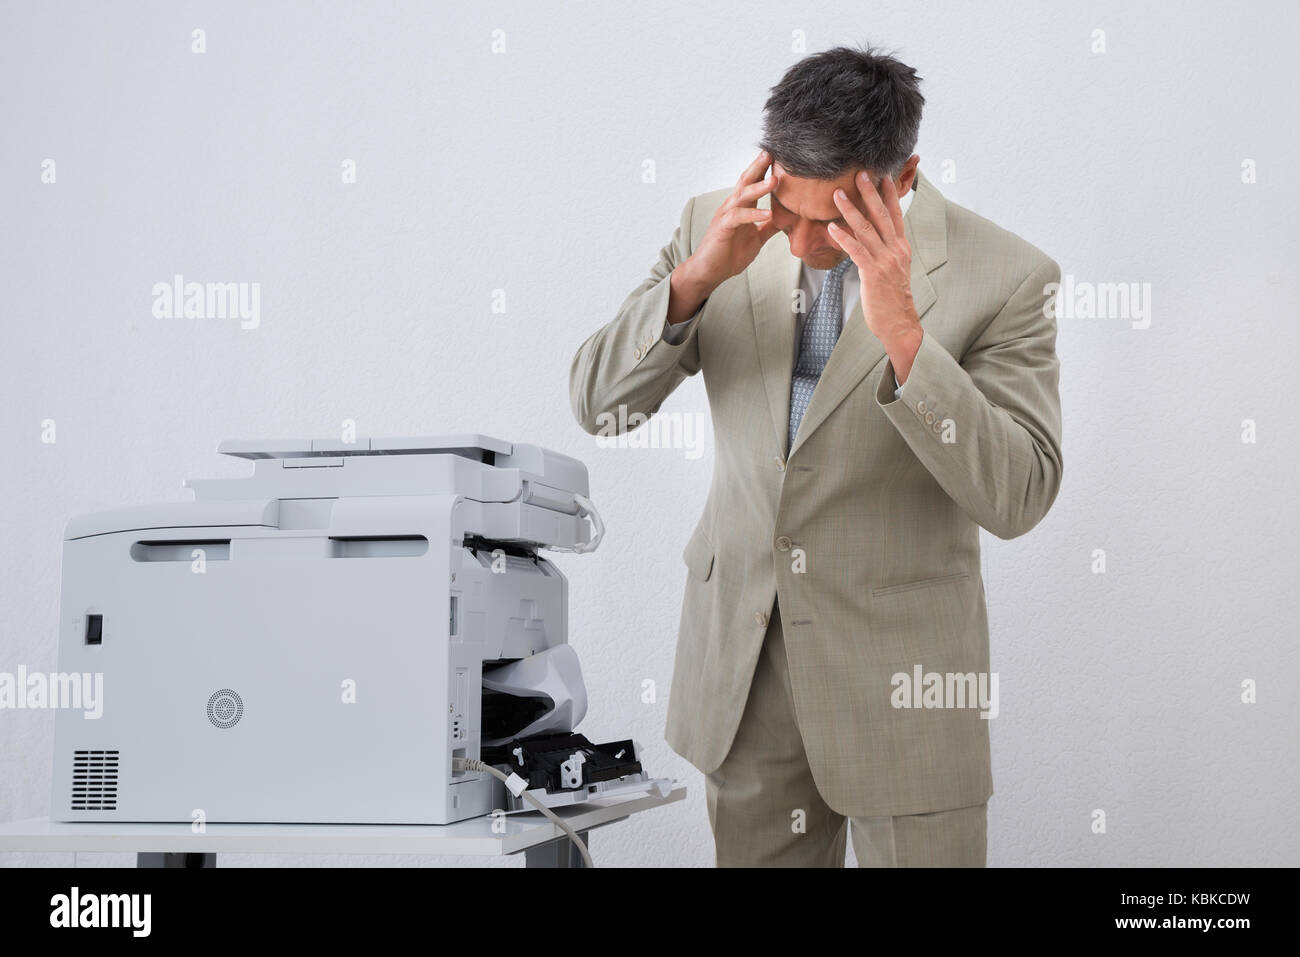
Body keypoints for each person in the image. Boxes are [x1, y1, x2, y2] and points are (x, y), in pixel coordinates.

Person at [568, 44, 1063, 866]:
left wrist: (906, 336)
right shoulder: (714, 227)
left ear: (898, 183)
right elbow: (601, 406)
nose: (796, 243)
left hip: (906, 688)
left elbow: (1020, 493)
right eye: (787, 211)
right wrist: (695, 280)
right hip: (745, 676)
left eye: (827, 221)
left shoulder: (1006, 277)